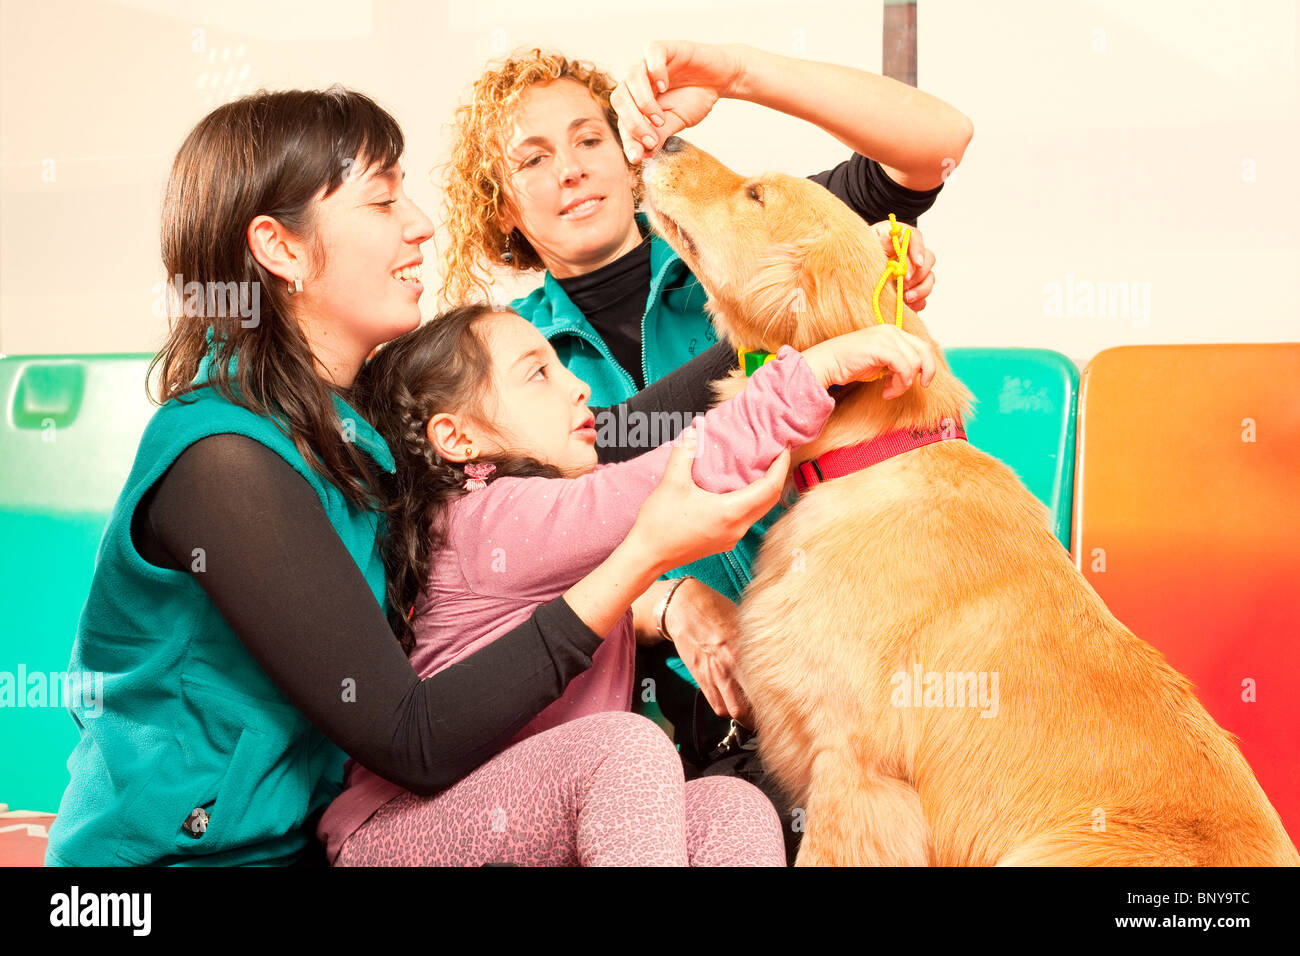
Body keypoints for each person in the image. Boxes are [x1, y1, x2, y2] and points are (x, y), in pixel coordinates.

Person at [43, 86, 798, 867]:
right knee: (626, 748)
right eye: (381, 202)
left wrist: (796, 335)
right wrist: (643, 561)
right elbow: (414, 738)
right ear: (282, 248)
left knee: (729, 808)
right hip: (161, 874)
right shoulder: (223, 464)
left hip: (295, 852)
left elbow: (595, 445)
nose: (421, 225)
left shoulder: (355, 433)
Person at [439, 41, 973, 729]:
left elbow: (937, 144)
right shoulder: (505, 354)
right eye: (533, 159)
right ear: (501, 206)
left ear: (630, 152)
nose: (570, 170)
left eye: (588, 139)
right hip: (693, 720)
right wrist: (664, 600)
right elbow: (512, 555)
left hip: (865, 667)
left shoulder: (747, 235)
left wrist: (738, 75)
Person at [318, 305, 937, 865]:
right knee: (628, 748)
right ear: (458, 439)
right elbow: (686, 470)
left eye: (563, 366)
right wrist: (819, 368)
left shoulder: (555, 521)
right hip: (400, 835)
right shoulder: (484, 518)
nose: (577, 385)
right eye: (538, 375)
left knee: (731, 806)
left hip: (522, 817)